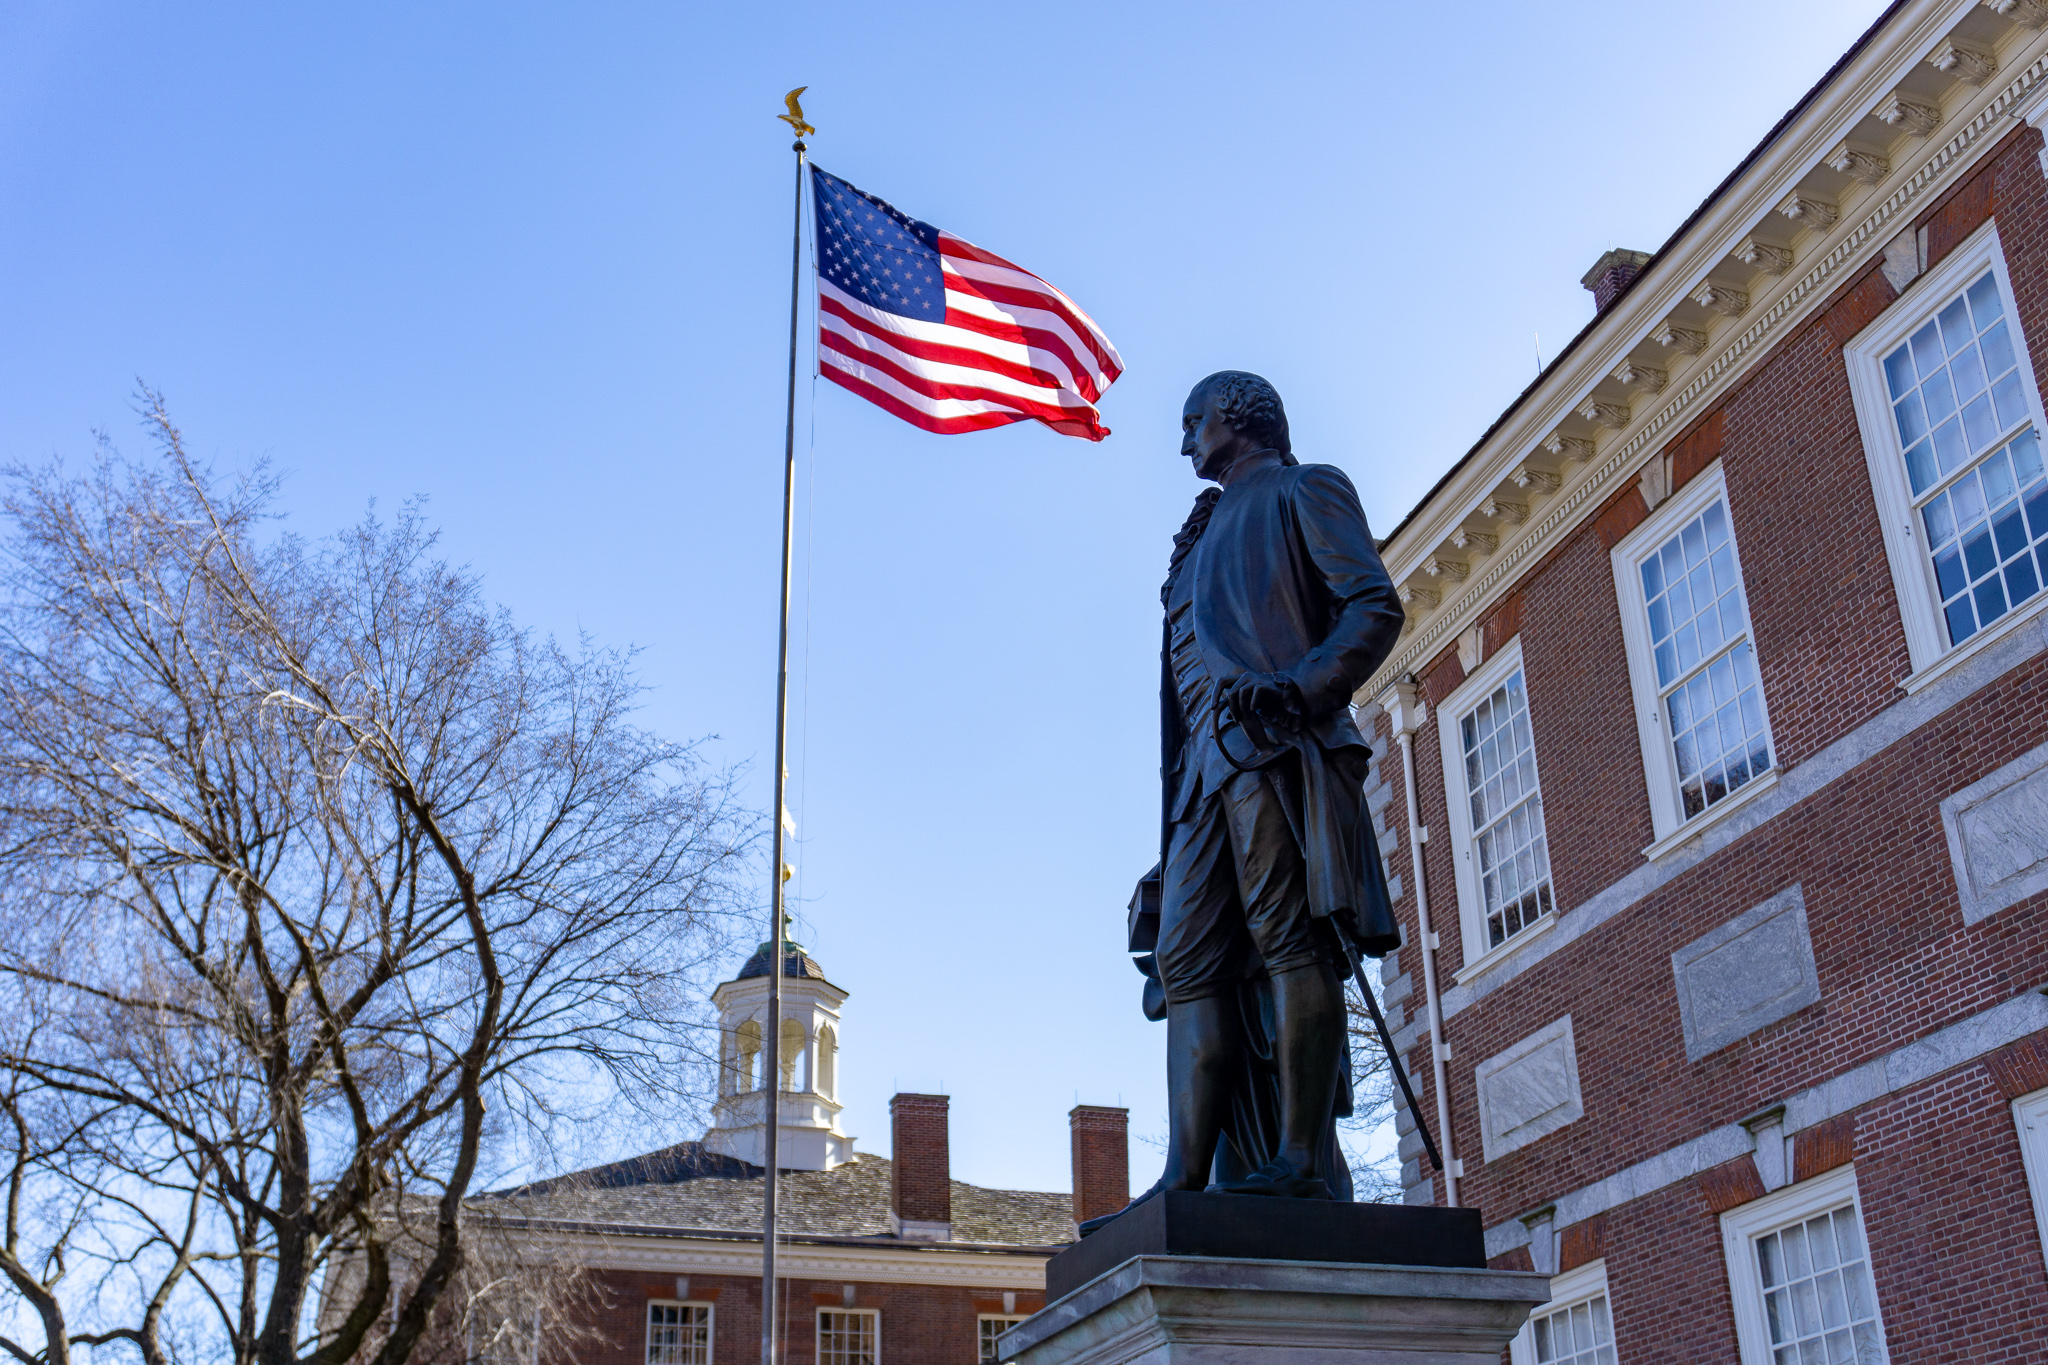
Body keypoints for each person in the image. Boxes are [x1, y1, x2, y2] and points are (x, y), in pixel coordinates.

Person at [1085, 371, 1404, 1232]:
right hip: (1200, 775)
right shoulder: (1197, 535)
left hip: (1275, 748)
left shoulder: (1307, 488)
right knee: (1186, 960)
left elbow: (1373, 605)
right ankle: (1184, 1176)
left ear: (1237, 416)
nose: (1184, 439)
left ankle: (1302, 1160)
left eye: (1193, 420)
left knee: (1289, 940)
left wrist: (1301, 687)